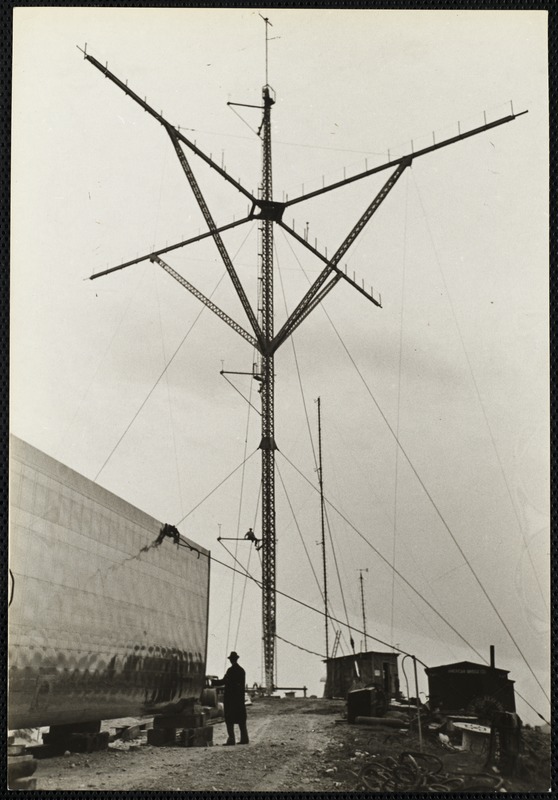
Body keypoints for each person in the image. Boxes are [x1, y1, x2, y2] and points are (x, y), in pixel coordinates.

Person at [212, 651, 249, 745]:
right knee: (241, 719)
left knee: (229, 719)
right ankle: (244, 739)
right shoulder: (242, 670)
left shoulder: (230, 670)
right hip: (239, 698)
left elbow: (224, 681)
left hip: (231, 699)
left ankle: (231, 739)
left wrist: (212, 682)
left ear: (231, 660)